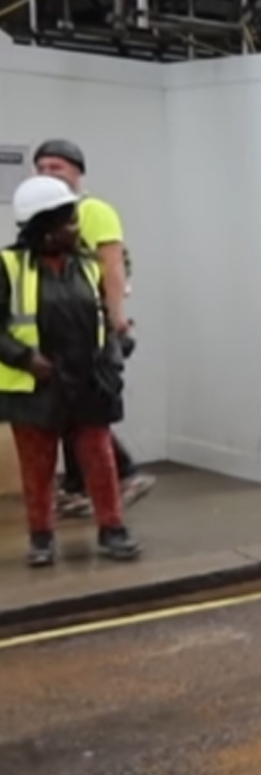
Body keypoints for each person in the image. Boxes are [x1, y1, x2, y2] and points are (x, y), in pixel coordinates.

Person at [0, 176, 139, 566]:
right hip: (35, 385)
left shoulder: (87, 267)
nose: (77, 227)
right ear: (44, 227)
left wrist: (111, 362)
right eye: (69, 221)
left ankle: (113, 529)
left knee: (99, 460)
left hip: (87, 381)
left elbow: (103, 321)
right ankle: (41, 538)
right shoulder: (7, 266)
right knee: (38, 468)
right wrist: (25, 358)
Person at [29, 139, 155, 517]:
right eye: (42, 168)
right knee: (67, 408)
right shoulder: (42, 214)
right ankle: (79, 485)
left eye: (58, 167)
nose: (48, 174)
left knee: (83, 409)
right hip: (58, 328)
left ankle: (125, 474)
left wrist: (118, 323)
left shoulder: (94, 211)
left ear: (77, 172)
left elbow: (112, 268)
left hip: (92, 327)